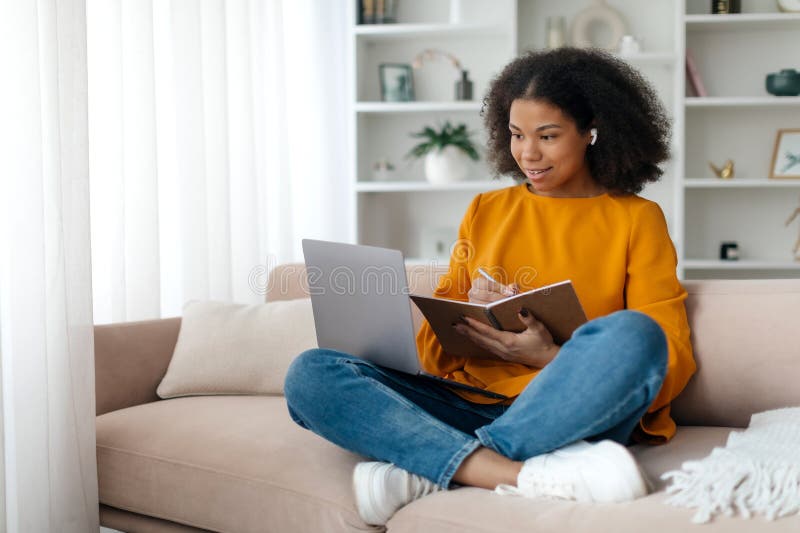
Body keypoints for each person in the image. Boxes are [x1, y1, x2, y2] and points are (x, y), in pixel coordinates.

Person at [284, 47, 695, 526]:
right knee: (310, 373)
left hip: (567, 409)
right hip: (467, 404)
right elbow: (433, 357)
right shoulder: (486, 210)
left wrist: (547, 356)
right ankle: (513, 472)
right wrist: (464, 314)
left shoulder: (636, 219)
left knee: (636, 334)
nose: (528, 154)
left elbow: (666, 353)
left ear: (592, 131)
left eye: (548, 136)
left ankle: (432, 467)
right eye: (517, 135)